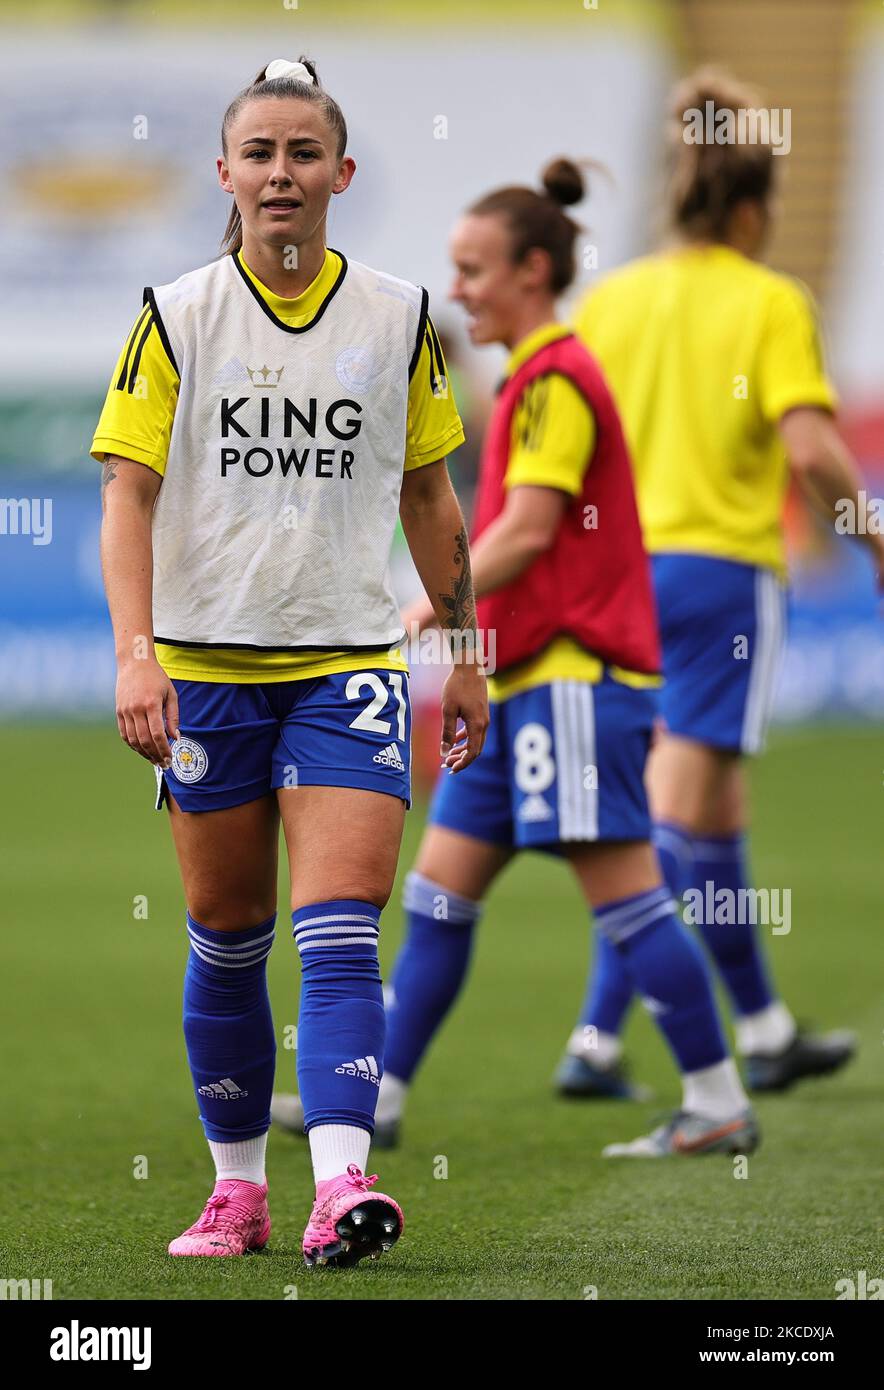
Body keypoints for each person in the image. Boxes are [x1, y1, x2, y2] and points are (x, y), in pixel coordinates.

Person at [273, 158, 763, 1160]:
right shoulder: (533, 377)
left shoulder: (553, 377)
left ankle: (715, 1097)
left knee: (623, 891)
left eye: (471, 269)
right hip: (520, 684)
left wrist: (415, 612)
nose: (454, 289)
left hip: (573, 683)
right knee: (438, 893)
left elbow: (527, 531)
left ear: (533, 270)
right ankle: (381, 1099)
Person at [91, 55, 488, 1268]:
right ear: (225, 173)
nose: (280, 173)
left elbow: (431, 495)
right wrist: (135, 656)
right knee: (225, 932)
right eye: (258, 153)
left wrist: (462, 648)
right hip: (205, 673)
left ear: (340, 174)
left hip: (347, 668)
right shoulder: (175, 314)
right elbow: (127, 494)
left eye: (302, 153)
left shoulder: (399, 314)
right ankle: (235, 1192)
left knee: (340, 927)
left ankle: (340, 1185)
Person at [557, 70, 875, 1099]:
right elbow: (811, 446)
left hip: (617, 578)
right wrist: (868, 530)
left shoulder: (612, 300)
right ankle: (596, 1041)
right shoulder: (767, 300)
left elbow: (566, 448)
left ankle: (768, 1027)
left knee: (712, 815)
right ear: (750, 206)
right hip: (715, 580)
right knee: (670, 821)